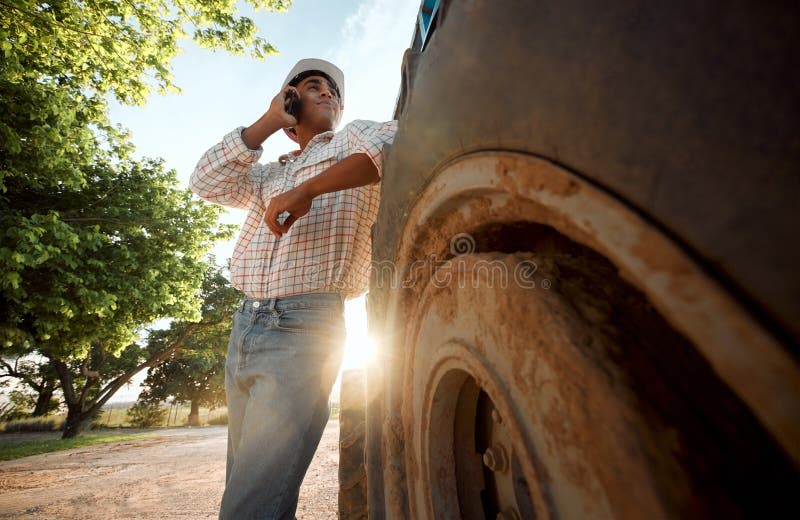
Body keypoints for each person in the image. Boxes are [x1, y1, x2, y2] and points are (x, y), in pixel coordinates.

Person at [189, 58, 398, 519]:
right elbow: (204, 182)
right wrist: (267, 122)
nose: (328, 94)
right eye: (311, 86)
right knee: (250, 490)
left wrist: (308, 191)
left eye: (333, 92)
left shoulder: (352, 139)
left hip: (304, 328)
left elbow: (393, 149)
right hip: (244, 325)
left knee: (250, 504)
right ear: (290, 102)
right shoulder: (269, 174)